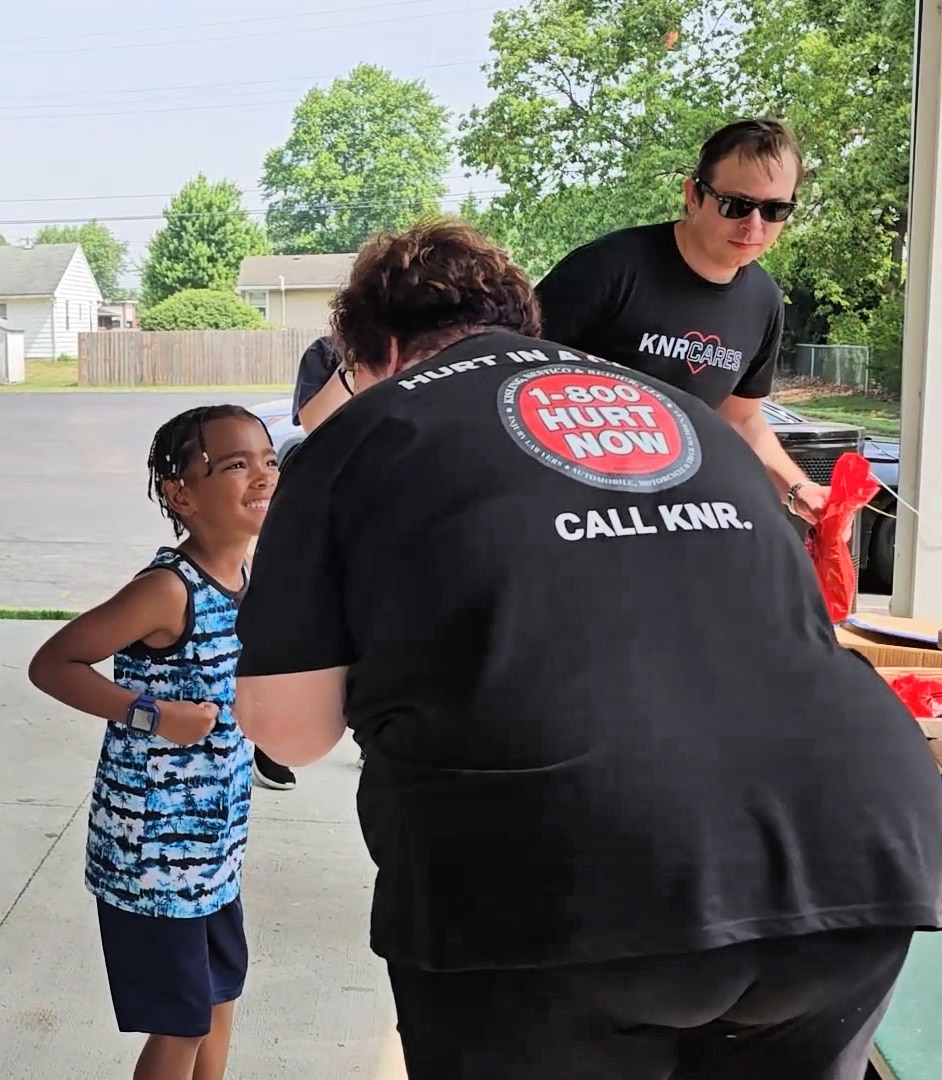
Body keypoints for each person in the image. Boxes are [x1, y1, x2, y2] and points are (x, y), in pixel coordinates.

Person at [233, 221, 942, 1080]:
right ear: (525, 325)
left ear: (379, 347)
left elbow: (288, 731)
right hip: (855, 847)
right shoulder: (687, 415)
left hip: (560, 879)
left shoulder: (363, 433)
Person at [28, 405, 277, 1080]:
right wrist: (152, 715)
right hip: (153, 856)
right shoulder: (168, 590)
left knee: (222, 996)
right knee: (181, 1021)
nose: (261, 475)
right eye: (234, 464)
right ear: (181, 495)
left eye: (267, 459)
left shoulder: (248, 577)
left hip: (214, 846)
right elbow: (53, 664)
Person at [535, 117, 829, 525]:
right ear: (693, 195)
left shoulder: (764, 301)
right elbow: (508, 375)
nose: (754, 226)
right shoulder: (608, 269)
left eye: (776, 209)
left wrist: (799, 491)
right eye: (737, 205)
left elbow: (741, 419)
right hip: (568, 508)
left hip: (670, 519)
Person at [251, 333, 359, 791]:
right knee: (311, 631)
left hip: (396, 505)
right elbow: (316, 420)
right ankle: (268, 748)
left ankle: (374, 741)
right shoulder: (332, 351)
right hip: (336, 501)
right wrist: (359, 361)